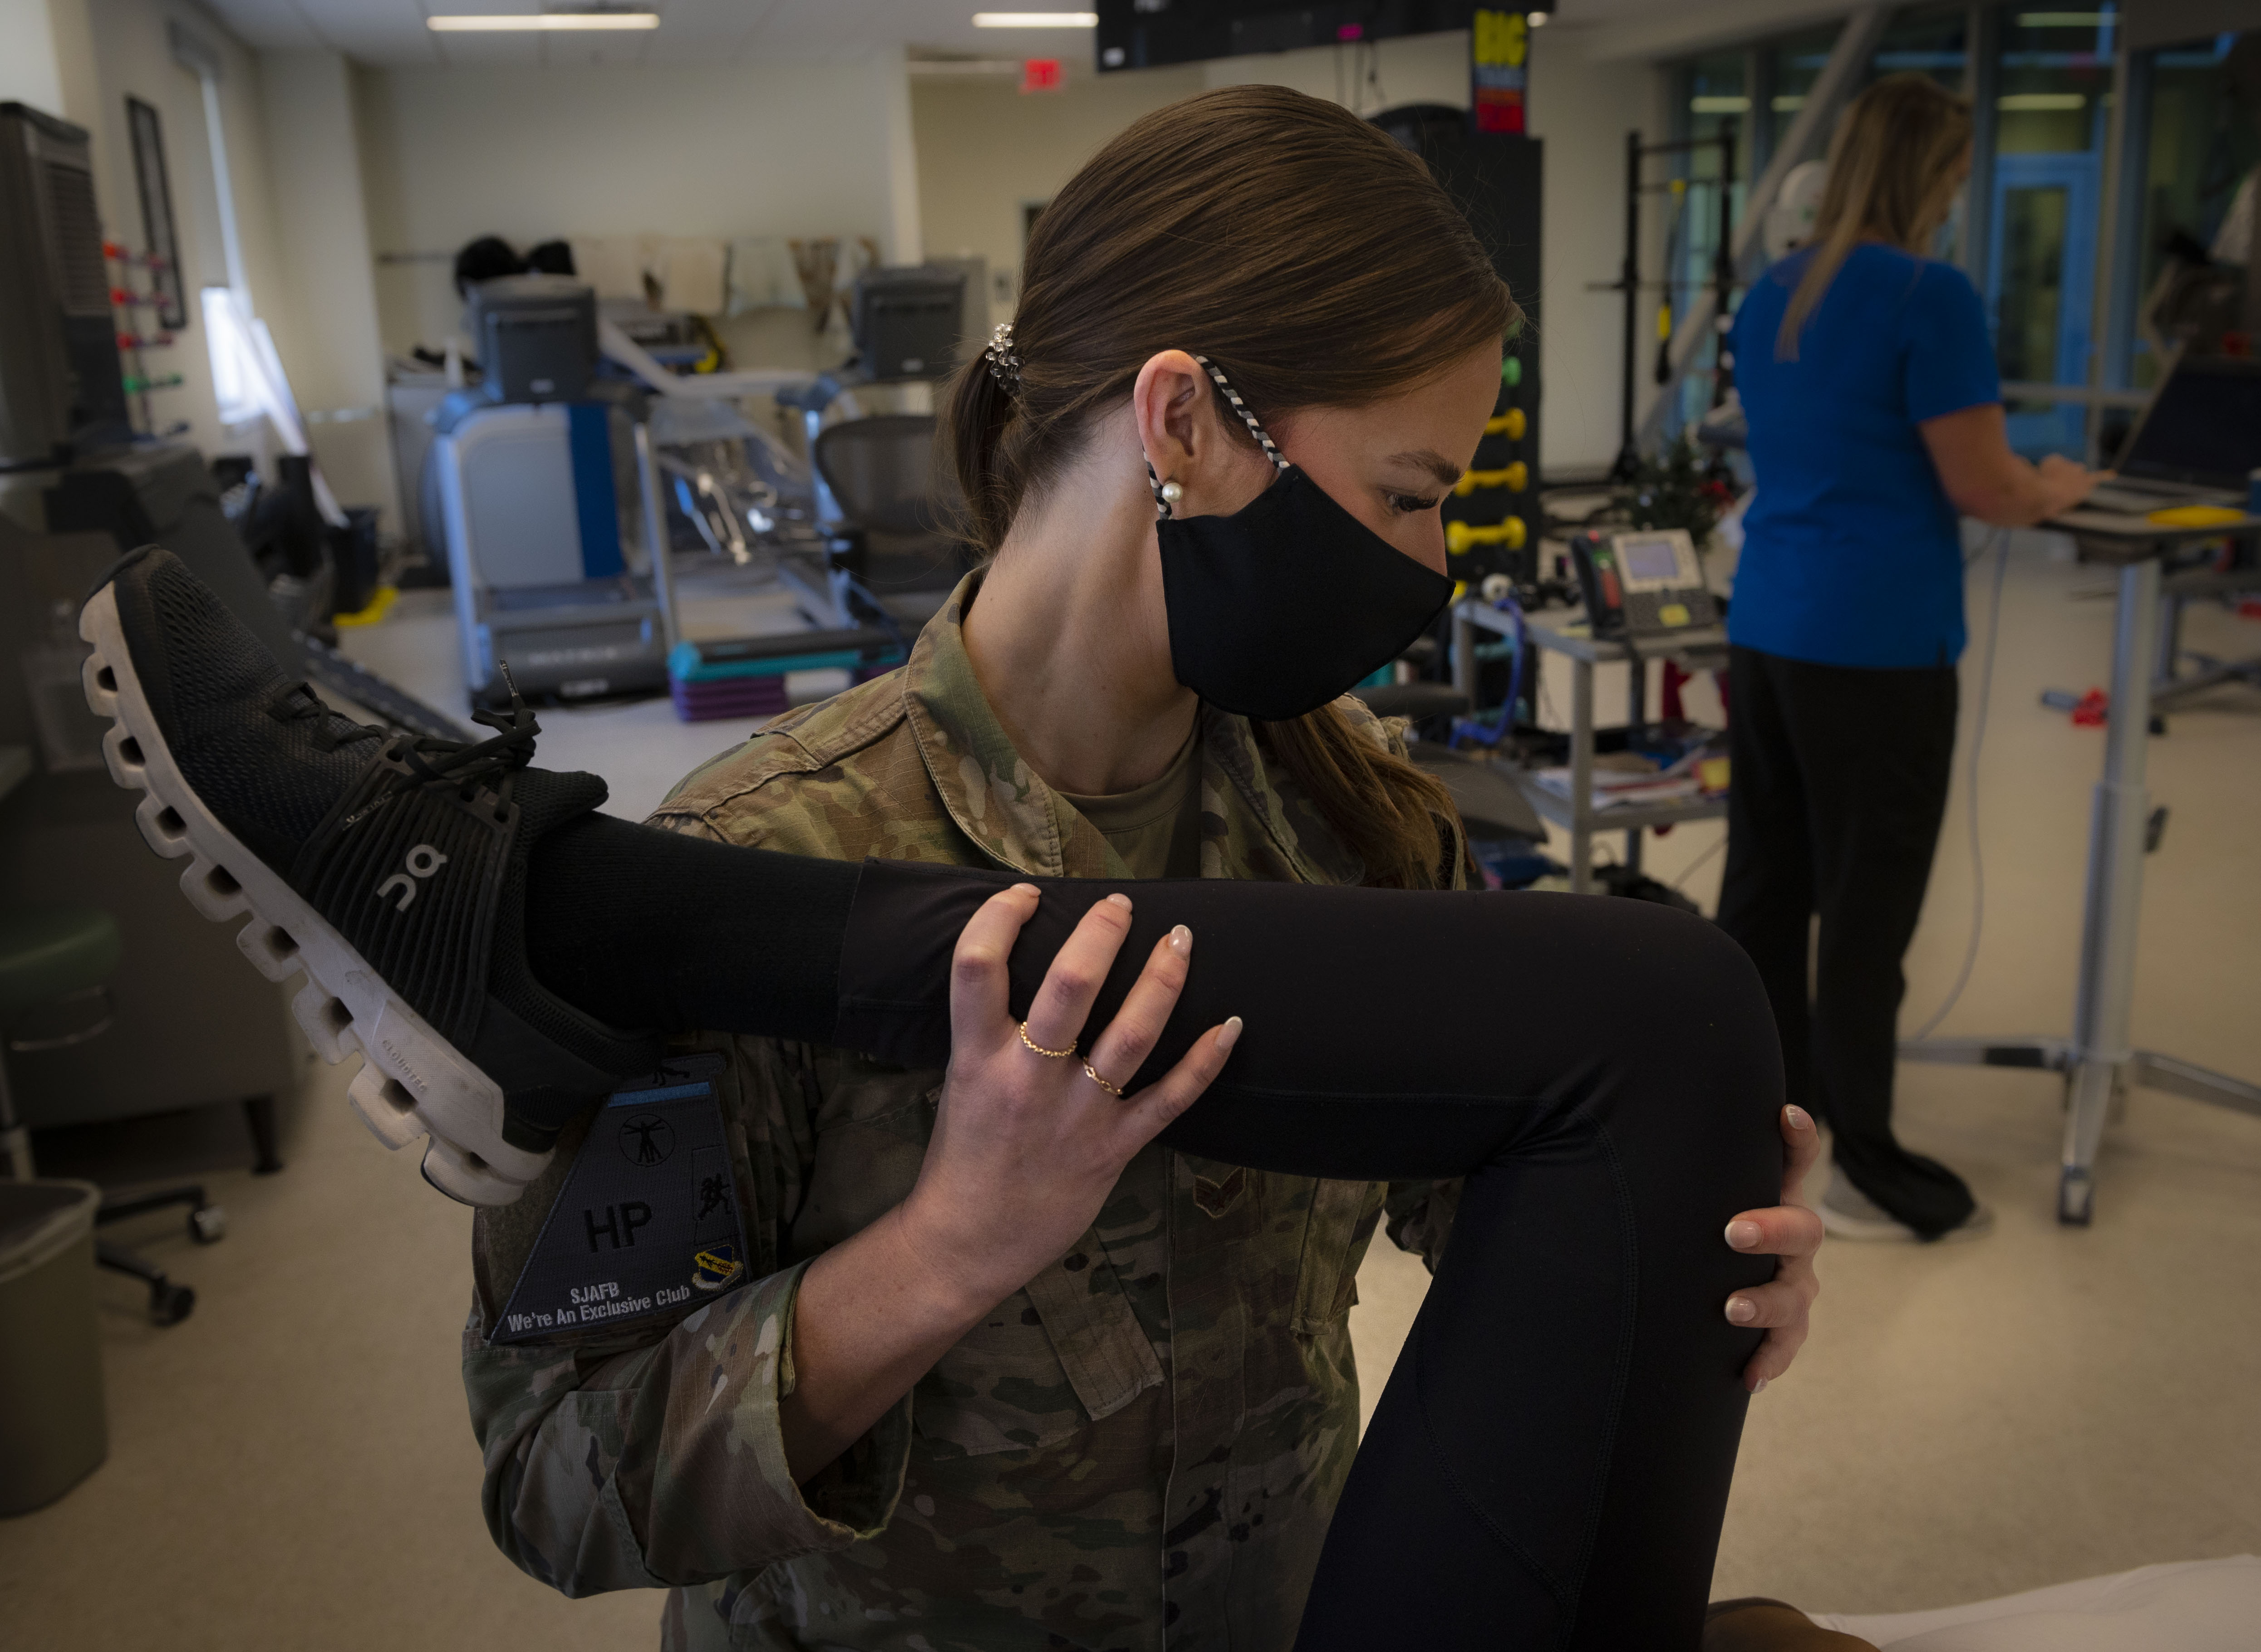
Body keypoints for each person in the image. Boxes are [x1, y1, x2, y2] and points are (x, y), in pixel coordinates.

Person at [77, 88, 1826, 1649]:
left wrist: (1694, 1233)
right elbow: (555, 1481)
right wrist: (940, 1253)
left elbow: (1470, 1186)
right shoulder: (769, 836)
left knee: (1673, 1039)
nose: (1434, 569)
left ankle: (519, 892)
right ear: (1182, 425)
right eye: (1406, 496)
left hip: (1281, 1606)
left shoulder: (1356, 824)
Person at [1720, 74, 2104, 1243]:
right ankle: (1863, 1163)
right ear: (1936, 173)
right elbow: (1983, 481)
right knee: (1869, 905)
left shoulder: (1772, 296)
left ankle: (1757, 1123)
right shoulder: (1929, 296)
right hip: (1878, 645)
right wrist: (2059, 488)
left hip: (1772, 624)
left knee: (1771, 889)